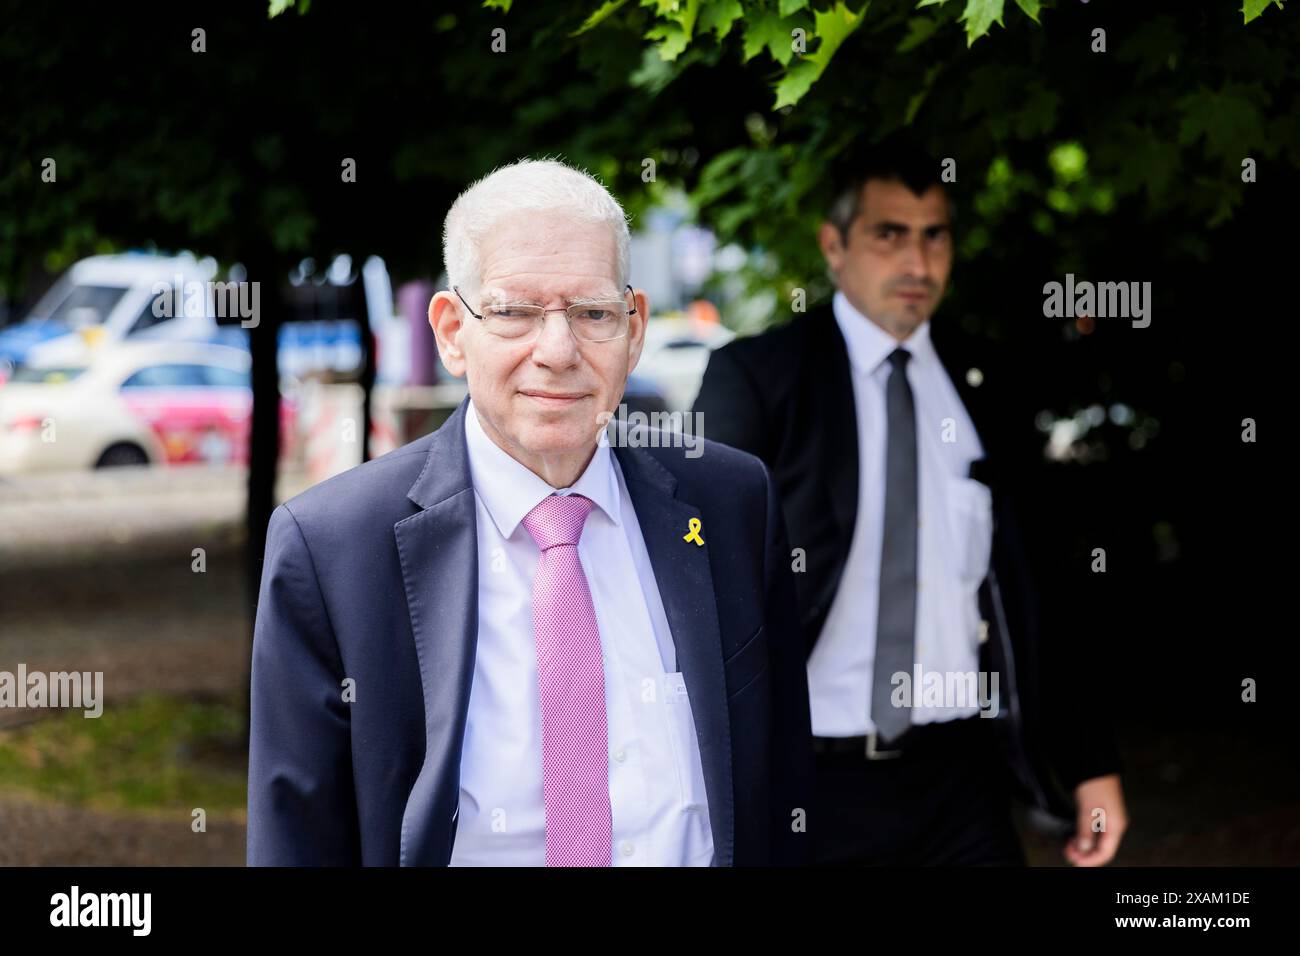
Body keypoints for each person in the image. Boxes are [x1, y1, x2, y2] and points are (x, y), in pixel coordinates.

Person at [247, 158, 812, 866]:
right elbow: (297, 844)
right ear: (452, 331)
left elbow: (782, 783)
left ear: (633, 327)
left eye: (592, 313)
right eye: (514, 312)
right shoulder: (332, 549)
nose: (558, 351)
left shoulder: (732, 504)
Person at [693, 141, 1127, 866]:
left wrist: (1091, 763)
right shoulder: (759, 379)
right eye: (889, 234)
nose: (918, 264)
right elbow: (697, 576)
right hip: (811, 781)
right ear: (835, 244)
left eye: (935, 235)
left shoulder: (990, 385)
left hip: (962, 776)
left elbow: (1047, 583)